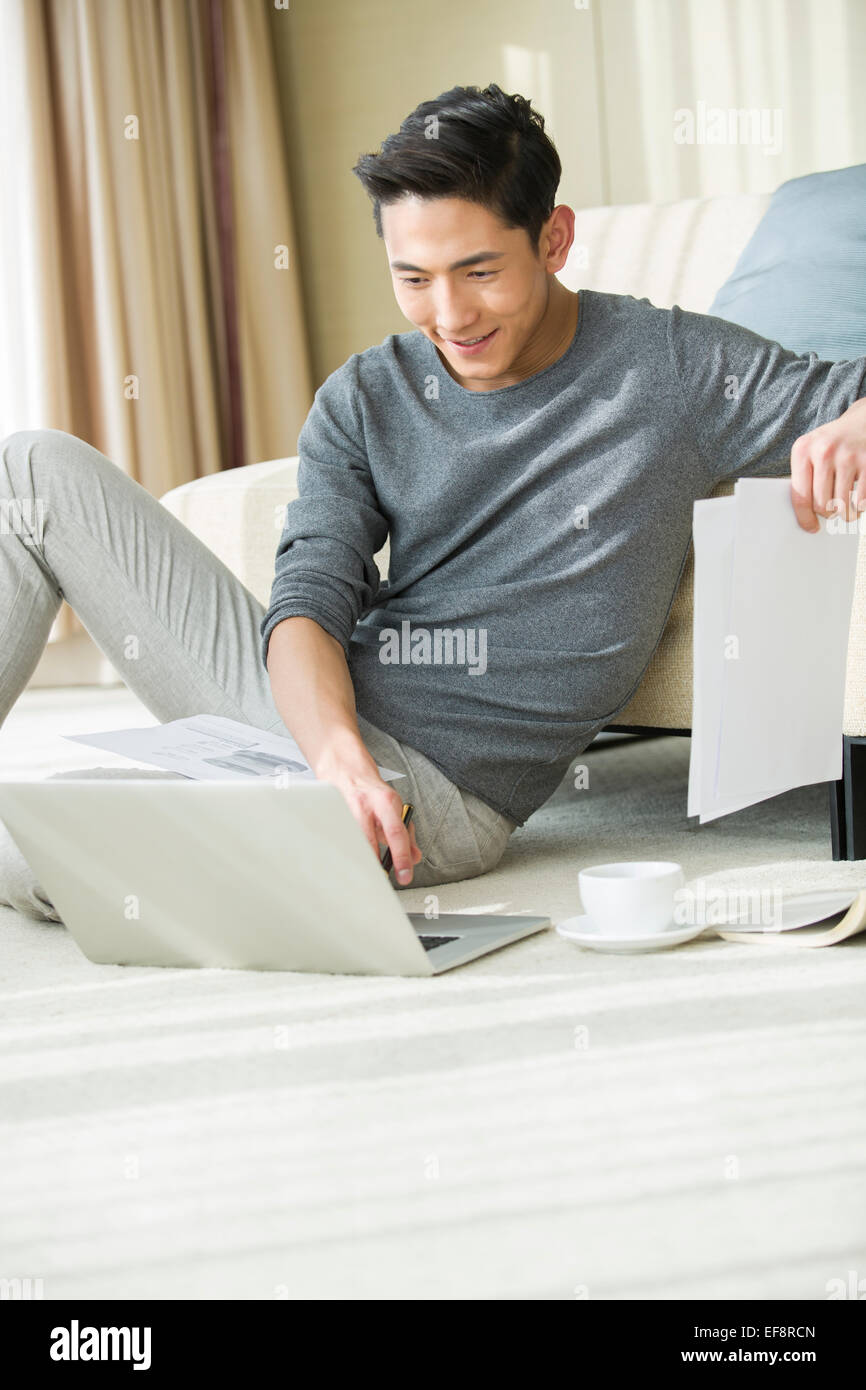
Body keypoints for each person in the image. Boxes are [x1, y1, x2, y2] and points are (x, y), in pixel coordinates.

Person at [2, 83, 865, 922]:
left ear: (554, 238)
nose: (449, 314)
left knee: (58, 844)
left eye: (479, 270)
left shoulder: (671, 367)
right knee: (33, 468)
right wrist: (335, 755)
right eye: (413, 278)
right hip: (316, 725)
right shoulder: (368, 395)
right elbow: (309, 595)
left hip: (435, 792)